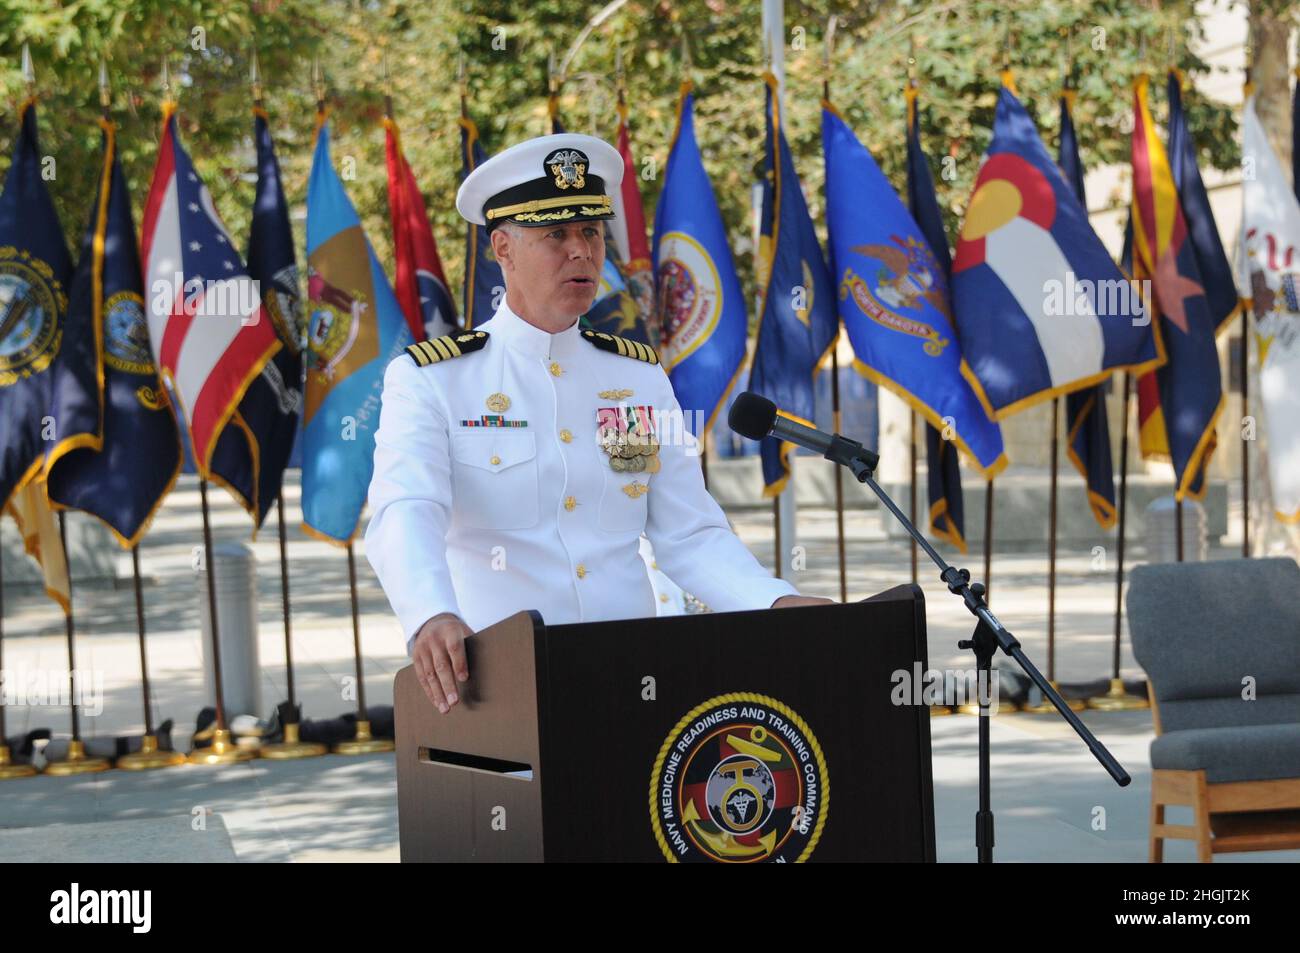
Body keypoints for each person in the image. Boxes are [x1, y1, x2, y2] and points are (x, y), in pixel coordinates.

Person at [365, 133, 830, 713]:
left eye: (590, 232)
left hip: (630, 682)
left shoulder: (636, 378)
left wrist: (771, 603)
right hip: (499, 693)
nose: (581, 251)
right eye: (555, 234)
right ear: (502, 248)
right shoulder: (435, 379)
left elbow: (686, 534)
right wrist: (429, 612)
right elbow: (405, 510)